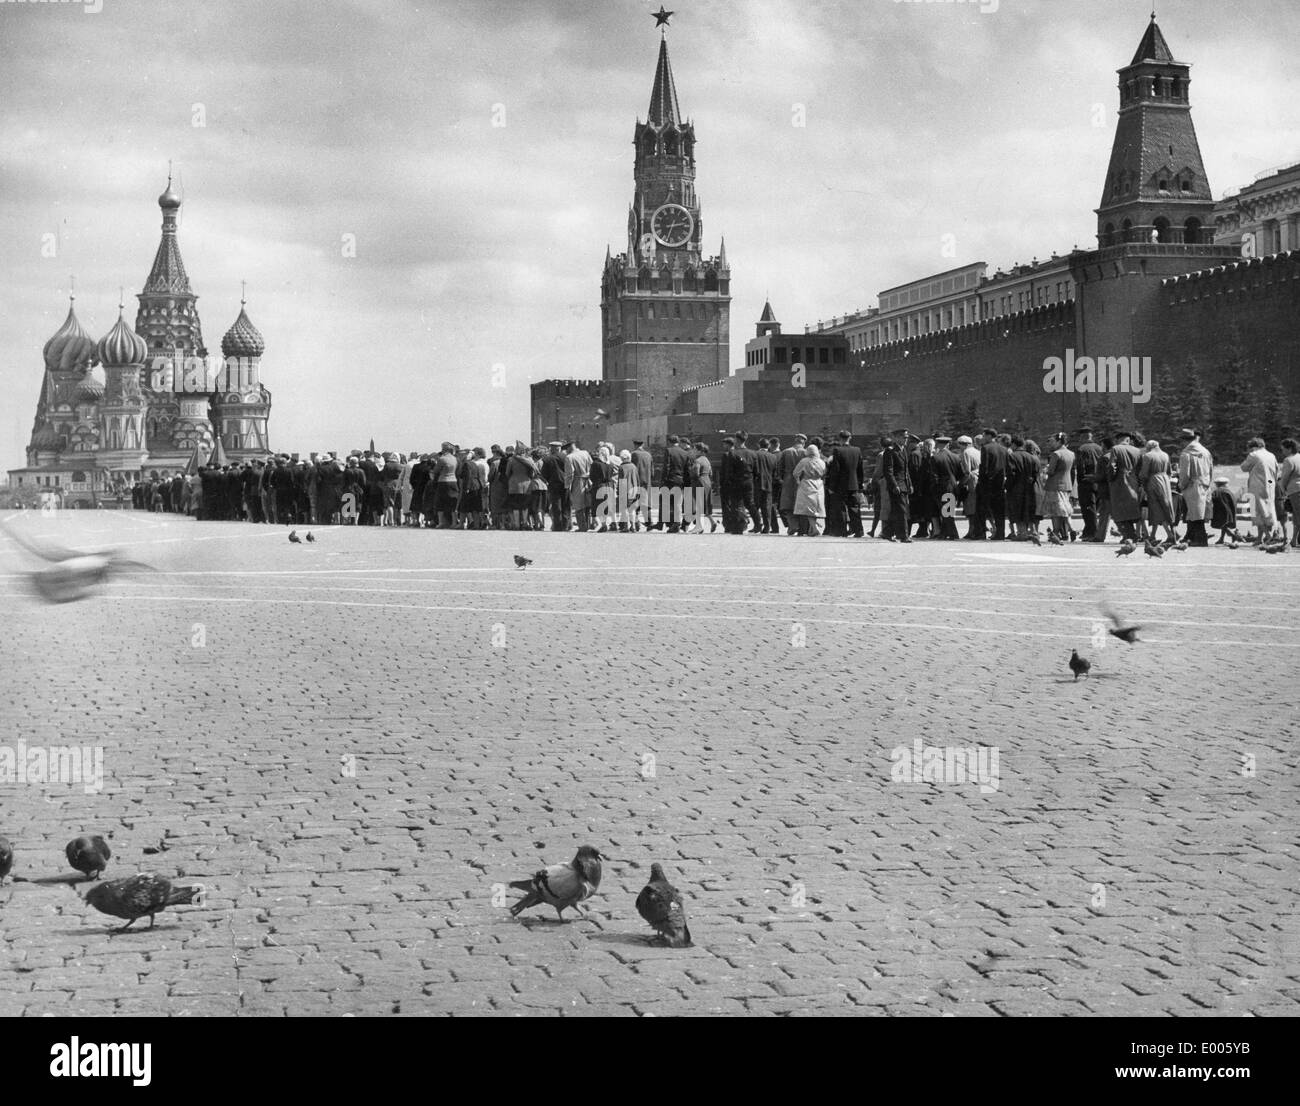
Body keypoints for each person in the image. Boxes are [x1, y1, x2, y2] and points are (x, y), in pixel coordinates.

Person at [1176, 427, 1212, 546]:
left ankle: (1200, 539)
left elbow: (1185, 474)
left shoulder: (1186, 453)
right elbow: (1211, 470)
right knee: (1199, 512)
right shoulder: (1206, 452)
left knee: (1194, 513)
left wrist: (1181, 485)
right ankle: (1193, 536)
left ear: (1184, 440)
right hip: (1205, 484)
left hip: (1193, 485)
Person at [1240, 436, 1280, 542]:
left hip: (1256, 487)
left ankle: (1268, 536)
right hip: (1270, 486)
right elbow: (1277, 470)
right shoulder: (1272, 455)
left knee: (1256, 512)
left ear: (1253, 447)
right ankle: (1260, 537)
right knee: (1269, 510)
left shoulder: (1254, 455)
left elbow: (1243, 467)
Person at [1106, 431, 1143, 542]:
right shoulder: (1137, 451)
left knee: (1119, 509)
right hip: (1133, 481)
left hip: (1119, 481)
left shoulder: (1116, 449)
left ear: (1118, 439)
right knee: (1132, 509)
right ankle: (1131, 534)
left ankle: (1129, 535)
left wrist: (1110, 479)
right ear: (1128, 440)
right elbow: (1140, 469)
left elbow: (1112, 466)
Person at [1138, 438, 1177, 544]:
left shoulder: (1148, 456)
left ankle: (1169, 534)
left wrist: (1141, 482)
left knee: (1155, 508)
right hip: (1165, 481)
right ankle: (1155, 535)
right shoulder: (1165, 455)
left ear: (1149, 447)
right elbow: (1169, 471)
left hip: (1153, 481)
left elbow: (1144, 474)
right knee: (1167, 507)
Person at [828, 430, 866, 538]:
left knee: (841, 509)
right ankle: (859, 531)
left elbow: (836, 470)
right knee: (854, 508)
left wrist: (832, 486)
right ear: (850, 438)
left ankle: (842, 531)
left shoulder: (837, 450)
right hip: (854, 484)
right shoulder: (857, 450)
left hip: (841, 485)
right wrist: (860, 484)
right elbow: (860, 469)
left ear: (840, 438)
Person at [1043, 432, 1077, 542]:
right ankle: (1060, 531)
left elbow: (1051, 470)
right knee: (1064, 508)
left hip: (1054, 485)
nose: (1051, 444)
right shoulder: (1071, 454)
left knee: (1056, 511)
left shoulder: (1056, 454)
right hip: (1066, 484)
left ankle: (1063, 530)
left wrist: (1046, 470)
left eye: (1052, 441)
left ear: (1058, 441)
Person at [881, 430, 912, 543]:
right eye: (904, 437)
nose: (906, 439)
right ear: (897, 438)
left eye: (907, 437)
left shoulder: (903, 451)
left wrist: (910, 484)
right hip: (897, 485)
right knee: (902, 510)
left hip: (904, 484)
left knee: (896, 510)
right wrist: (895, 485)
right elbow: (889, 471)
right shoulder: (890, 451)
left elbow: (906, 470)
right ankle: (904, 536)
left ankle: (887, 532)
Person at [792, 443, 827, 535]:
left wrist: (798, 481)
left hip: (807, 484)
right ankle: (812, 529)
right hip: (819, 484)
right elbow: (824, 473)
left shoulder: (804, 461)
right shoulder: (821, 461)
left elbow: (795, 473)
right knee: (815, 507)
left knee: (807, 508)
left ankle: (814, 528)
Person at [776, 434, 806, 534]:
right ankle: (801, 527)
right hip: (802, 479)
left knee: (788, 504)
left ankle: (792, 525)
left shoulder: (786, 451)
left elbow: (779, 467)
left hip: (788, 479)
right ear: (804, 442)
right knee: (800, 503)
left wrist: (780, 478)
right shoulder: (806, 452)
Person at [957, 434, 981, 538]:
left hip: (971, 481)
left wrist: (961, 483)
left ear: (963, 444)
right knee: (977, 507)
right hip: (980, 479)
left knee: (970, 508)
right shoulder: (977, 451)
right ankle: (977, 530)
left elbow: (967, 471)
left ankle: (972, 531)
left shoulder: (965, 453)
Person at [1278, 437, 1300, 548]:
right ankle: (1294, 540)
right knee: (1297, 516)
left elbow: (1284, 478)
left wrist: (1283, 491)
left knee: (1297, 516)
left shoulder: (1288, 460)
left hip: (1294, 490)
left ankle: (1294, 540)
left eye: (1283, 449)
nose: (1282, 452)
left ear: (1290, 449)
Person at [688, 443, 713, 533]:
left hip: (699, 482)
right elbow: (711, 473)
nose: (694, 451)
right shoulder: (707, 460)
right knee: (703, 504)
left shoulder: (697, 461)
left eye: (695, 449)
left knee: (698, 505)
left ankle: (699, 526)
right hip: (707, 482)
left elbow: (695, 473)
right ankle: (700, 526)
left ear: (700, 451)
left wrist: (690, 469)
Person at [1211, 476, 1240, 544]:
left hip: (1220, 512)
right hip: (1229, 512)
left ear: (1217, 484)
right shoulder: (1229, 492)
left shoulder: (1216, 491)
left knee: (1222, 524)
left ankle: (1233, 535)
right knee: (1225, 525)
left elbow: (1213, 500)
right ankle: (1222, 538)